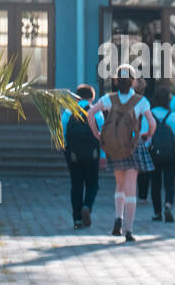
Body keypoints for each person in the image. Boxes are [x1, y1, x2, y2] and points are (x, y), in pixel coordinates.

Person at [87, 64, 157, 243]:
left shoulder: (108, 99)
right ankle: (129, 230)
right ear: (133, 82)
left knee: (119, 185)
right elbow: (152, 123)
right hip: (133, 146)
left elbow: (90, 113)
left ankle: (118, 218)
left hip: (114, 146)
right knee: (131, 188)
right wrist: (147, 137)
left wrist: (98, 135)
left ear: (117, 81)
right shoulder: (141, 101)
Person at [61, 84, 103, 230]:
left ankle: (77, 219)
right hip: (93, 154)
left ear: (76, 97)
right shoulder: (96, 113)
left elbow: (61, 135)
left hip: (73, 154)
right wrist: (102, 155)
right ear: (92, 97)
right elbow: (101, 135)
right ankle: (87, 206)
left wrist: (66, 150)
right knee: (93, 184)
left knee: (76, 185)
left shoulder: (67, 112)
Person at [142, 86, 175, 222]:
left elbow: (145, 137)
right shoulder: (174, 116)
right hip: (170, 154)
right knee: (170, 182)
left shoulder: (149, 115)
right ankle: (168, 204)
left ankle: (157, 212)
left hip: (153, 154)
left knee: (155, 183)